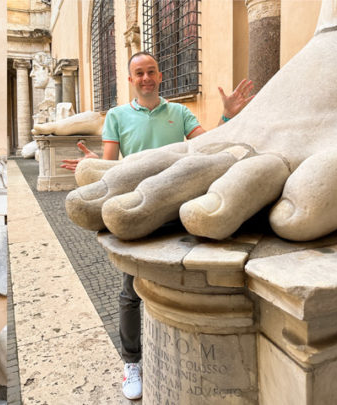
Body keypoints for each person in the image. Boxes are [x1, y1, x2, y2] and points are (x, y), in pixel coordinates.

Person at [63, 51, 253, 400]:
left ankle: (173, 344)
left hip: (174, 205)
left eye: (151, 72)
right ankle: (131, 361)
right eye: (139, 73)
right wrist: (94, 166)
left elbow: (209, 146)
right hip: (137, 206)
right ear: (131, 80)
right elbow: (110, 166)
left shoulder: (179, 113)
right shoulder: (117, 116)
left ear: (160, 76)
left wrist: (228, 116)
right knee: (129, 291)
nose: (146, 78)